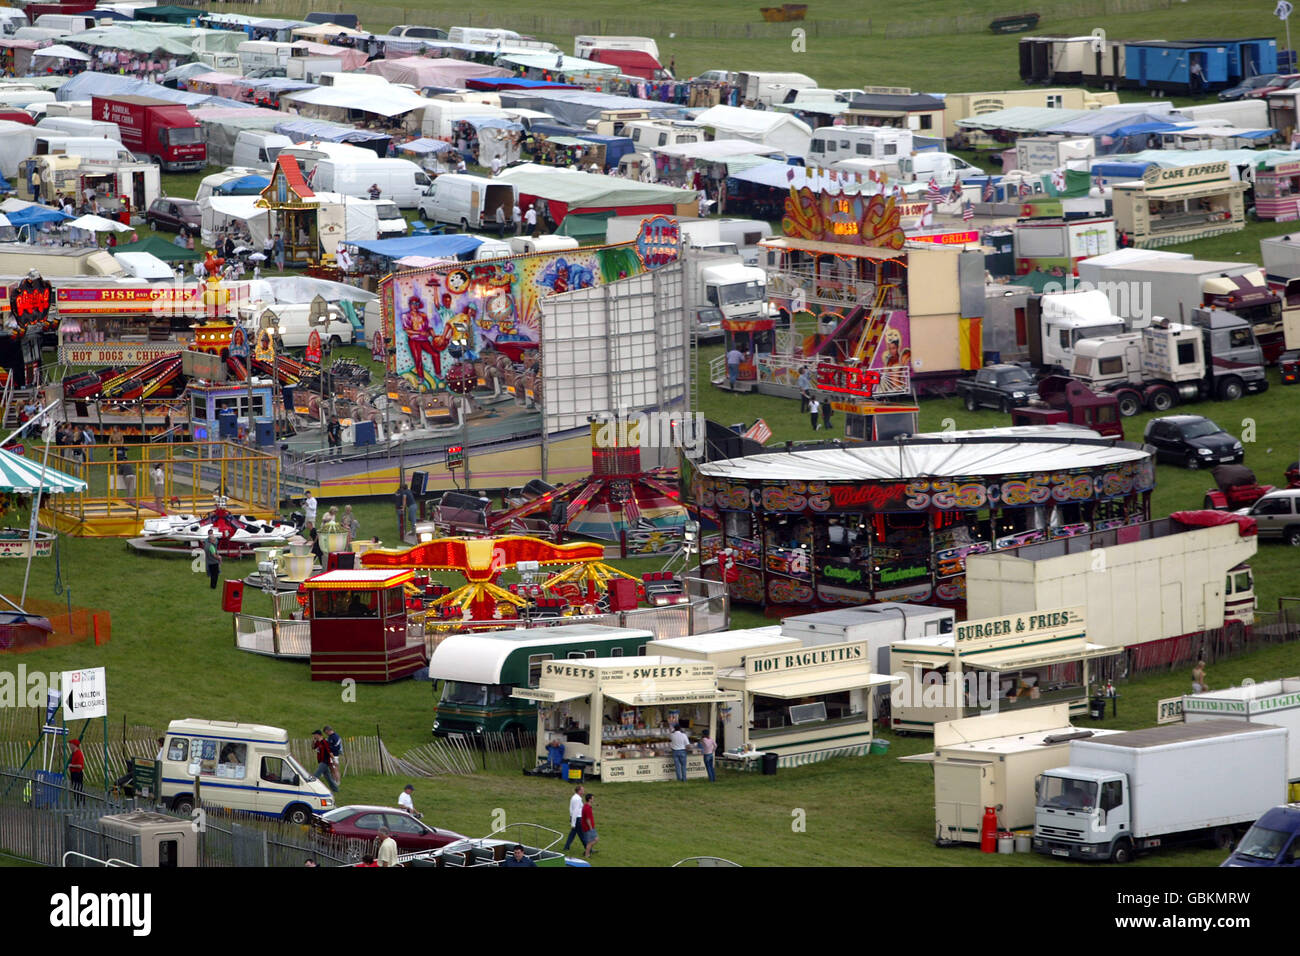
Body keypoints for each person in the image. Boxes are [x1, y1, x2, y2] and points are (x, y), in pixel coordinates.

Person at [563, 784, 585, 851]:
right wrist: (573, 823)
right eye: (582, 790)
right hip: (577, 819)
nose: (583, 791)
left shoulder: (575, 797)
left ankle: (566, 847)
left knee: (572, 834)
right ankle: (588, 849)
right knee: (582, 835)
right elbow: (575, 811)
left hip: (576, 819)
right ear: (579, 791)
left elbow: (571, 809)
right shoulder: (577, 799)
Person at [579, 792, 599, 858]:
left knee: (594, 840)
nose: (593, 800)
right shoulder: (587, 808)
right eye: (592, 799)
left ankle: (587, 851)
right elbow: (588, 819)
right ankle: (587, 854)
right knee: (592, 841)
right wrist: (591, 828)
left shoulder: (587, 806)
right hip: (588, 828)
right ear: (589, 799)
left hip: (589, 827)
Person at [68, 738, 85, 805]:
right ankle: (77, 801)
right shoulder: (74, 753)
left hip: (77, 773)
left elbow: (80, 766)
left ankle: (80, 802)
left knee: (78, 788)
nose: (70, 746)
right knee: (75, 788)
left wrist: (72, 765)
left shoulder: (78, 753)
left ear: (74, 745)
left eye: (71, 744)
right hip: (73, 773)